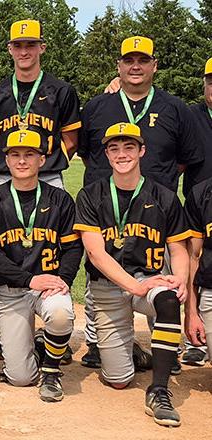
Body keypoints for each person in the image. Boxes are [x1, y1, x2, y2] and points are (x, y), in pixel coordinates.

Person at [77, 37, 203, 370]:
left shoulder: (175, 108)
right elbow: (89, 155)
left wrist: (154, 184)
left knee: (161, 278)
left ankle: (166, 347)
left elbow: (184, 160)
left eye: (143, 61)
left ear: (154, 65)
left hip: (157, 208)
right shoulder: (96, 106)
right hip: (107, 205)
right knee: (99, 277)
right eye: (129, 60)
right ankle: (95, 343)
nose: (136, 66)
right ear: (118, 65)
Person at [74, 122, 191, 427]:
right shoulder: (90, 195)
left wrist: (179, 279)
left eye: (129, 147)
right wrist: (135, 288)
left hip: (148, 280)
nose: (122, 154)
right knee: (118, 380)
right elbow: (96, 255)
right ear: (107, 154)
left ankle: (159, 390)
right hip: (107, 286)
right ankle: (137, 355)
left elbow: (178, 250)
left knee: (168, 298)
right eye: (114, 148)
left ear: (142, 151)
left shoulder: (164, 196)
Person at [0, 129, 82, 402]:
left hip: (48, 288)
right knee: (20, 378)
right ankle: (34, 347)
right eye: (16, 155)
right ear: (6, 161)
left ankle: (52, 370)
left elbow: (72, 248)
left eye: (30, 154)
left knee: (60, 314)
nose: (22, 161)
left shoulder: (59, 199)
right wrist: (29, 280)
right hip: (12, 290)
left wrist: (63, 281)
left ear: (42, 160)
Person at [0, 19, 81, 189]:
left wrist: (45, 164)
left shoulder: (62, 91)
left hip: (49, 177)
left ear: (42, 47)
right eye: (18, 46)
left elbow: (71, 142)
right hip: (7, 177)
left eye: (31, 45)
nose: (24, 52)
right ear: (10, 49)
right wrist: (11, 167)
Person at [181, 57, 212, 366]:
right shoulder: (190, 115)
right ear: (204, 84)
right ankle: (195, 340)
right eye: (211, 80)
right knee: (194, 267)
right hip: (199, 205)